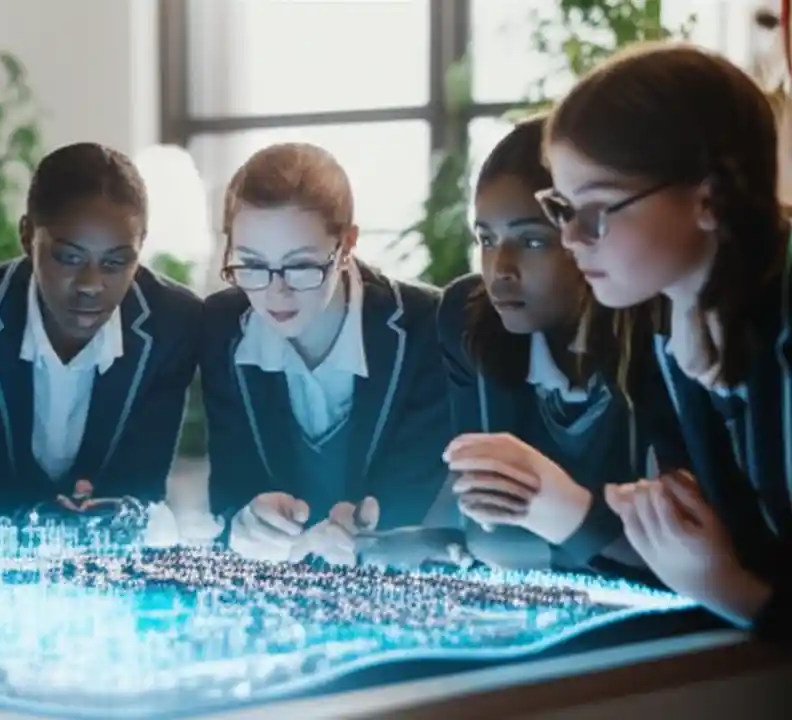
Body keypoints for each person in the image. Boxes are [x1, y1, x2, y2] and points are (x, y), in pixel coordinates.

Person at [450, 43, 791, 643]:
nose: (572, 239)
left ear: (708, 200)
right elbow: (697, 560)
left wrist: (733, 592)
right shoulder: (665, 325)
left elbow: (729, 578)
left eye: (599, 209)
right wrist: (560, 508)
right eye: (563, 208)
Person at [439, 117, 683, 573]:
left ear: (590, 234)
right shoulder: (467, 319)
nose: (500, 269)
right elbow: (489, 530)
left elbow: (689, 554)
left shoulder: (664, 332)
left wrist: (563, 508)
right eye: (486, 239)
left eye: (532, 240)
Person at [0, 142, 201, 515]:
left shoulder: (173, 325)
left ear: (141, 245)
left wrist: (109, 511)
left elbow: (142, 486)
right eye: (69, 257)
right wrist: (40, 516)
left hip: (110, 542)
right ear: (26, 236)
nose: (91, 284)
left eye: (116, 262)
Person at [200, 143, 452, 564]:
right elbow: (230, 491)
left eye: (300, 266)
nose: (276, 291)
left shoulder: (424, 326)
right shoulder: (224, 326)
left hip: (393, 580)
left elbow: (415, 497)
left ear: (347, 244)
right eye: (252, 264)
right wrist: (246, 520)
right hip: (276, 583)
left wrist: (365, 533)